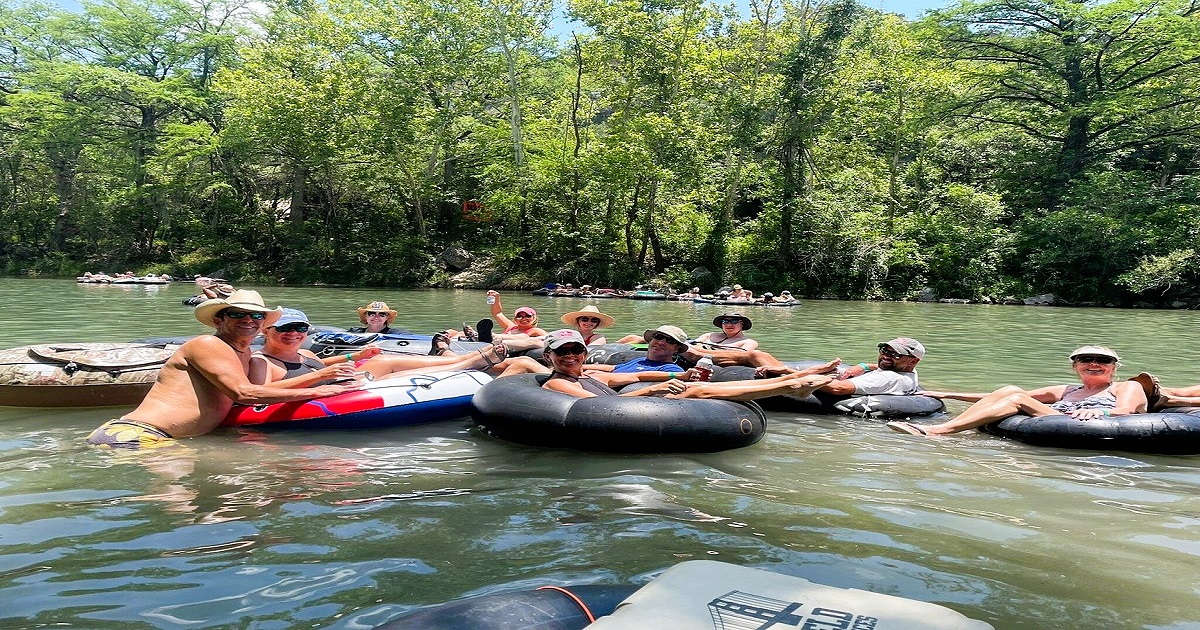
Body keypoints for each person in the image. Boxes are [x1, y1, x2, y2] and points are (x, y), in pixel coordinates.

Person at [85, 290, 361, 449]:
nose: (248, 320)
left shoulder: (243, 354)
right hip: (138, 435)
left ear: (263, 323)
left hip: (163, 440)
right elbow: (244, 393)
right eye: (237, 314)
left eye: (256, 315)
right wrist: (321, 390)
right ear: (219, 319)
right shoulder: (207, 344)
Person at [887, 345, 1147, 436]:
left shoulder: (1127, 386)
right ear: (1075, 366)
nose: (1093, 364)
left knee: (1018, 395)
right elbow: (1004, 396)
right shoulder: (1067, 390)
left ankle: (938, 431)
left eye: (1102, 361)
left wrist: (1102, 413)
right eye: (1085, 360)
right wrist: (946, 394)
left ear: (1114, 368)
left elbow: (1125, 410)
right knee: (1012, 388)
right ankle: (957, 427)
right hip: (1056, 420)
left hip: (1086, 425)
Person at [540, 330, 833, 400]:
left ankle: (792, 383)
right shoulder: (557, 382)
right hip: (624, 414)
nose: (569, 355)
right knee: (694, 392)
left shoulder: (586, 375)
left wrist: (671, 378)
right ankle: (789, 385)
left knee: (696, 385)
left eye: (575, 349)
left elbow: (638, 373)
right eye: (561, 351)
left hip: (634, 405)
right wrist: (657, 388)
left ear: (583, 352)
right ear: (548, 357)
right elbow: (600, 407)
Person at [250, 307, 513, 384]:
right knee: (386, 362)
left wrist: (356, 355)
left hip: (336, 378)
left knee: (386, 360)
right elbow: (262, 394)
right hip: (331, 388)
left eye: (300, 328)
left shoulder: (303, 352)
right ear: (266, 330)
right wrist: (321, 375)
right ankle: (470, 361)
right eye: (285, 328)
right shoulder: (262, 361)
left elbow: (320, 363)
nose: (294, 333)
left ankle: (464, 361)